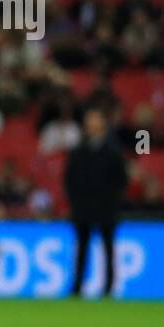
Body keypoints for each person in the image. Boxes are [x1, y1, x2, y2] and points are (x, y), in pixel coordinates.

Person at [65, 107, 129, 296]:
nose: (90, 124)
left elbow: (121, 181)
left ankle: (108, 287)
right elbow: (69, 180)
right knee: (81, 249)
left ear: (102, 123)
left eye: (94, 119)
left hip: (106, 208)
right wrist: (75, 202)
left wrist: (112, 201)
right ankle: (77, 286)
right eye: (88, 120)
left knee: (108, 248)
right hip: (83, 208)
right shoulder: (77, 152)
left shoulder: (113, 153)